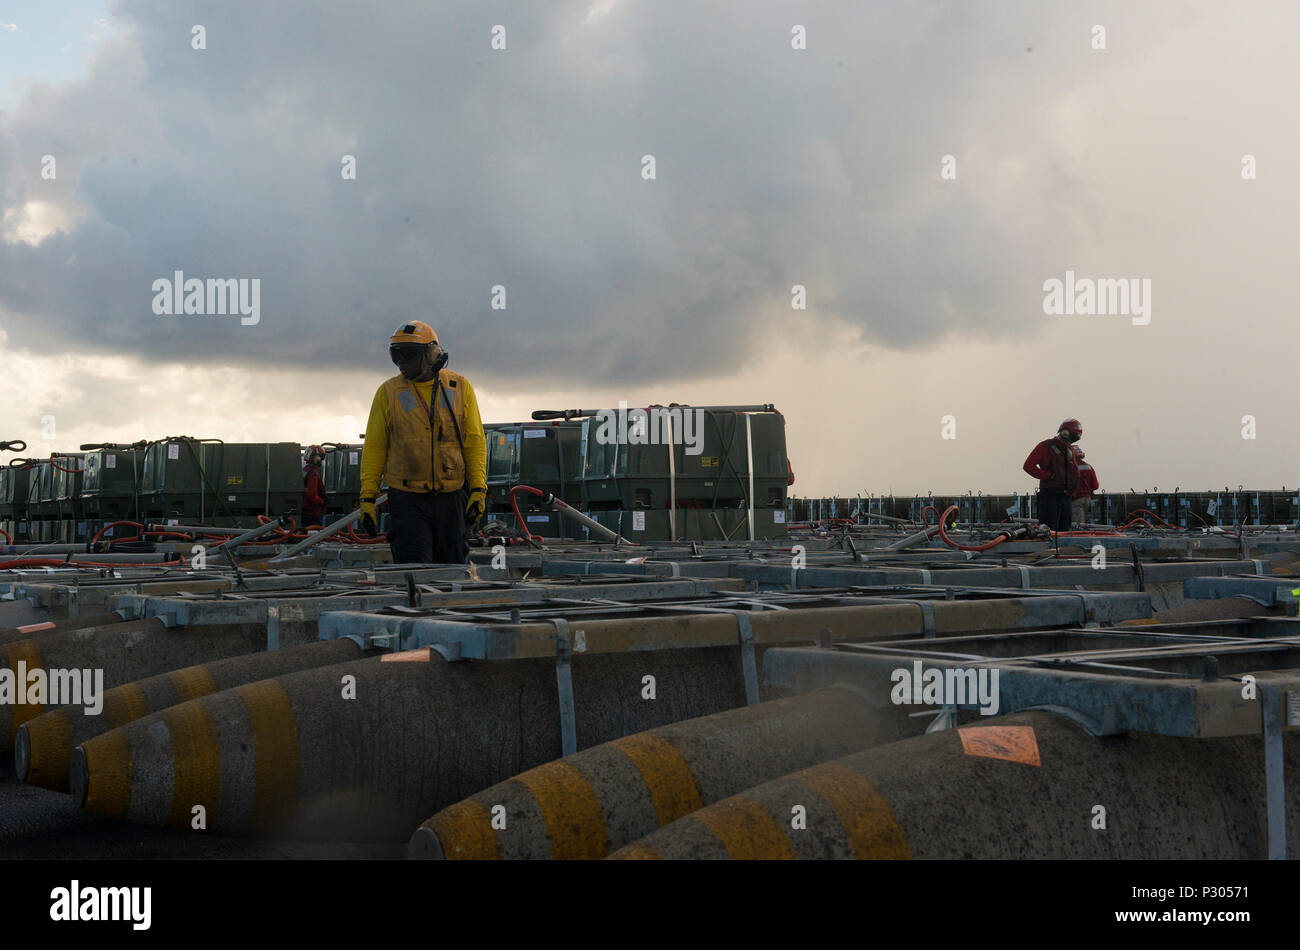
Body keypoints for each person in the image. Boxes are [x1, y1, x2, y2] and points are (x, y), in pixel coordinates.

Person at [358, 321, 487, 564]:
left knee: (454, 571)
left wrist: (478, 490)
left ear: (432, 355)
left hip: (451, 499)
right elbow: (375, 447)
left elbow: (474, 442)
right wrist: (367, 498)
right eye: (395, 355)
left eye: (408, 355)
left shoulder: (459, 387)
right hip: (407, 501)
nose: (401, 362)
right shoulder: (389, 393)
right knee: (415, 571)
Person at [1022, 418, 1082, 533]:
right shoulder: (1045, 447)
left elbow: (1073, 471)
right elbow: (1028, 466)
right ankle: (1048, 550)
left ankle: (1062, 550)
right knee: (1048, 530)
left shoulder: (1070, 450)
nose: (1070, 443)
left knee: (1064, 530)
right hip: (1050, 496)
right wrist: (1048, 476)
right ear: (1065, 433)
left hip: (1066, 497)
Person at [1071, 447, 1099, 526]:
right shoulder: (1089, 467)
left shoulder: (1071, 467)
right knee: (1083, 521)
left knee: (1077, 524)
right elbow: (1095, 485)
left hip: (1076, 499)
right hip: (1087, 499)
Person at [301, 444, 328, 527]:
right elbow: (311, 495)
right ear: (314, 457)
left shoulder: (305, 470)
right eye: (320, 457)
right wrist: (322, 501)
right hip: (312, 514)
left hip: (304, 512)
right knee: (314, 537)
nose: (321, 460)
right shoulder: (313, 473)